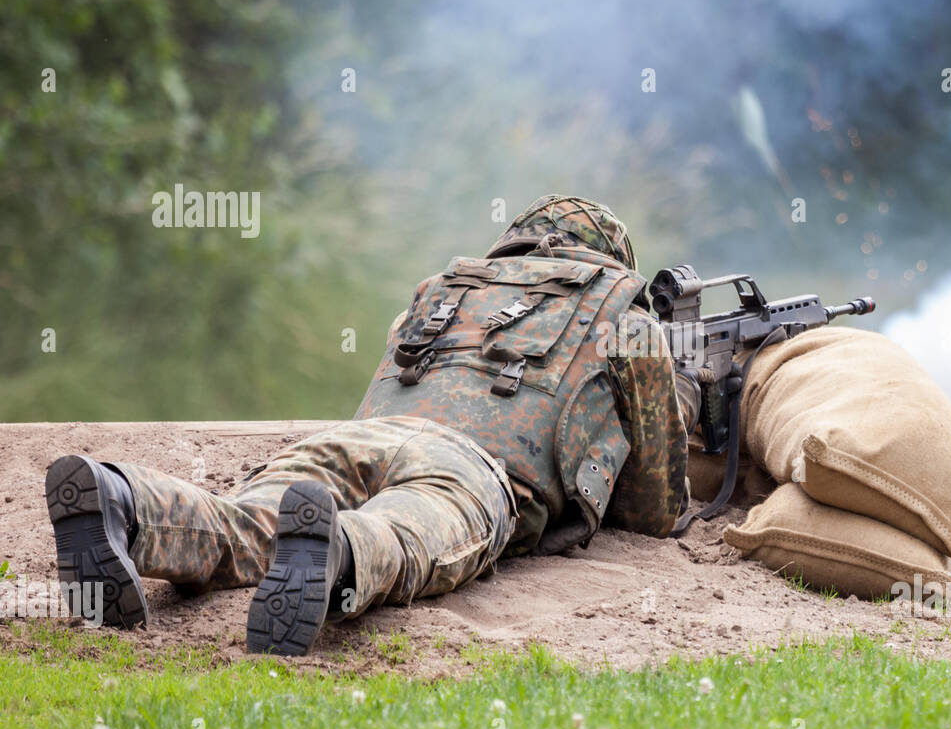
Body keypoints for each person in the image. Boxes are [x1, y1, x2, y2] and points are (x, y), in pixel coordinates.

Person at [45, 195, 690, 655]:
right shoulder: (622, 308)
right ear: (611, 260)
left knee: (242, 520)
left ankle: (120, 500)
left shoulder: (443, 286)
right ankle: (335, 549)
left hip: (354, 440)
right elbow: (653, 508)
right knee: (408, 531)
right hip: (472, 468)